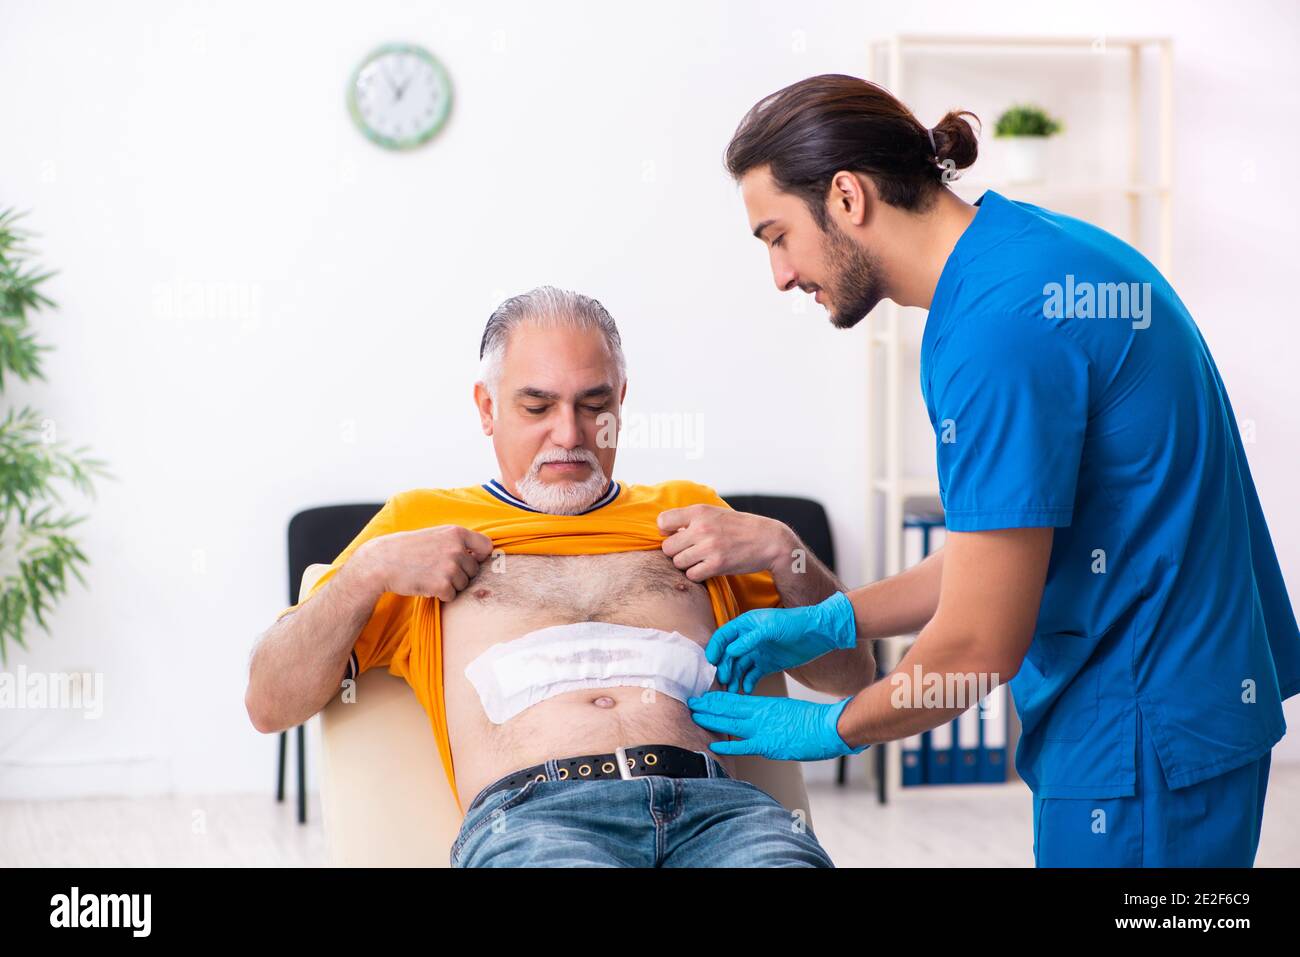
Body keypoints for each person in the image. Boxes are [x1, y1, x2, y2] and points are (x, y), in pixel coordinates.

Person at [687, 74, 1300, 867]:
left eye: (777, 236)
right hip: (1170, 707)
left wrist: (831, 728)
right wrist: (838, 620)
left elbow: (979, 642)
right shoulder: (1024, 253)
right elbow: (998, 553)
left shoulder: (993, 333)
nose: (780, 274)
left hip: (1141, 735)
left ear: (846, 197)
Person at [247, 286, 871, 867]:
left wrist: (784, 549)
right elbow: (270, 704)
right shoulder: (421, 524)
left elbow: (849, 676)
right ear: (487, 408)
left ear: (621, 401)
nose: (569, 435)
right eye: (537, 406)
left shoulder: (690, 511)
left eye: (593, 404)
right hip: (537, 818)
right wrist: (367, 573)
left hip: (723, 814)